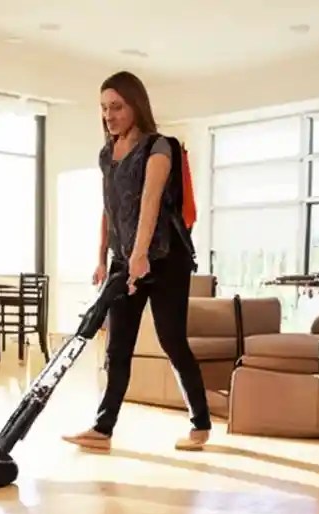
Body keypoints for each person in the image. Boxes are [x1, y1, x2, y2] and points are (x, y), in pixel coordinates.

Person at [62, 70, 212, 453]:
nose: (109, 115)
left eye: (117, 106)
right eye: (103, 108)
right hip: (125, 259)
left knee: (172, 340)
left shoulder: (161, 146)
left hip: (166, 259)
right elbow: (109, 210)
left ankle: (200, 424)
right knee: (118, 344)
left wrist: (140, 256)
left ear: (136, 105)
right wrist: (103, 258)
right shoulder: (106, 155)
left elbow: (149, 203)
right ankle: (102, 428)